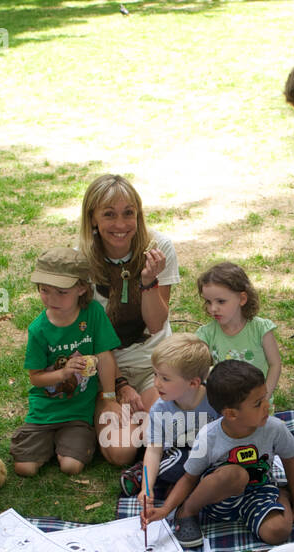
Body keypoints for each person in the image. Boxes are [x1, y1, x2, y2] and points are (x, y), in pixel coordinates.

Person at [142, 360, 294, 547]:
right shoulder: (208, 436)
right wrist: (166, 509)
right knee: (235, 474)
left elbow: (290, 461)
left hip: (259, 493)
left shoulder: (274, 428)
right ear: (231, 414)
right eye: (258, 403)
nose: (267, 405)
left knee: (278, 532)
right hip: (218, 500)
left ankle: (283, 494)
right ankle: (186, 512)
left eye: (265, 398)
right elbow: (189, 478)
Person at [80, 174, 180, 465]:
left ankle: (139, 424)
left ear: (139, 215)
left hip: (154, 363)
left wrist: (148, 281)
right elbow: (90, 338)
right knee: (121, 452)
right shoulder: (82, 261)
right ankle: (122, 418)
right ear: (93, 220)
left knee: (169, 432)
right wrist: (119, 385)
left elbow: (156, 324)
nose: (121, 225)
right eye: (109, 215)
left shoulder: (159, 247)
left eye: (128, 214)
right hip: (107, 370)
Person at [11, 247, 121, 478]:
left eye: (61, 292)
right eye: (44, 290)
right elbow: (35, 377)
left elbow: (104, 356)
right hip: (44, 412)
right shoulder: (38, 330)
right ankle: (45, 441)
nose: (51, 299)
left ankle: (64, 446)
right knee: (24, 469)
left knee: (71, 466)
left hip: (77, 413)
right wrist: (62, 374)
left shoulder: (93, 314)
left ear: (82, 288)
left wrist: (110, 397)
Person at [119, 333, 218, 502]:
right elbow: (154, 450)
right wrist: (147, 490)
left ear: (193, 383)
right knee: (179, 463)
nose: (156, 383)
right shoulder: (160, 409)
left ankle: (154, 478)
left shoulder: (216, 400)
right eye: (155, 374)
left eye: (165, 378)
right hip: (173, 453)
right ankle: (144, 476)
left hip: (208, 455)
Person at [195, 262, 281, 399]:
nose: (213, 308)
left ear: (242, 299)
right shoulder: (206, 334)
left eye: (221, 301)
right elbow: (197, 369)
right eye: (208, 302)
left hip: (257, 404)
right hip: (225, 405)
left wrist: (264, 397)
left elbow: (275, 364)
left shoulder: (261, 329)